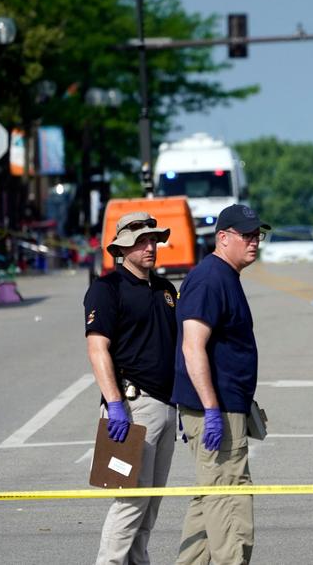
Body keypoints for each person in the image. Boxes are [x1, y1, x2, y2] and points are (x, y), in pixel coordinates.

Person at [171, 204, 270, 565]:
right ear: (223, 237)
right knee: (230, 503)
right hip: (217, 411)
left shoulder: (224, 275)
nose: (254, 241)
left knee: (209, 499)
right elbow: (192, 346)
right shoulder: (210, 278)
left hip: (224, 407)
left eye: (257, 234)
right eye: (246, 235)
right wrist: (212, 410)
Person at [83, 211, 179, 565]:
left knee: (150, 504)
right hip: (132, 405)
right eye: (141, 241)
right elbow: (97, 348)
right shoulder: (107, 288)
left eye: (154, 240)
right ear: (123, 248)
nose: (150, 247)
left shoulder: (165, 289)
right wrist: (115, 404)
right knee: (131, 501)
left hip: (166, 405)